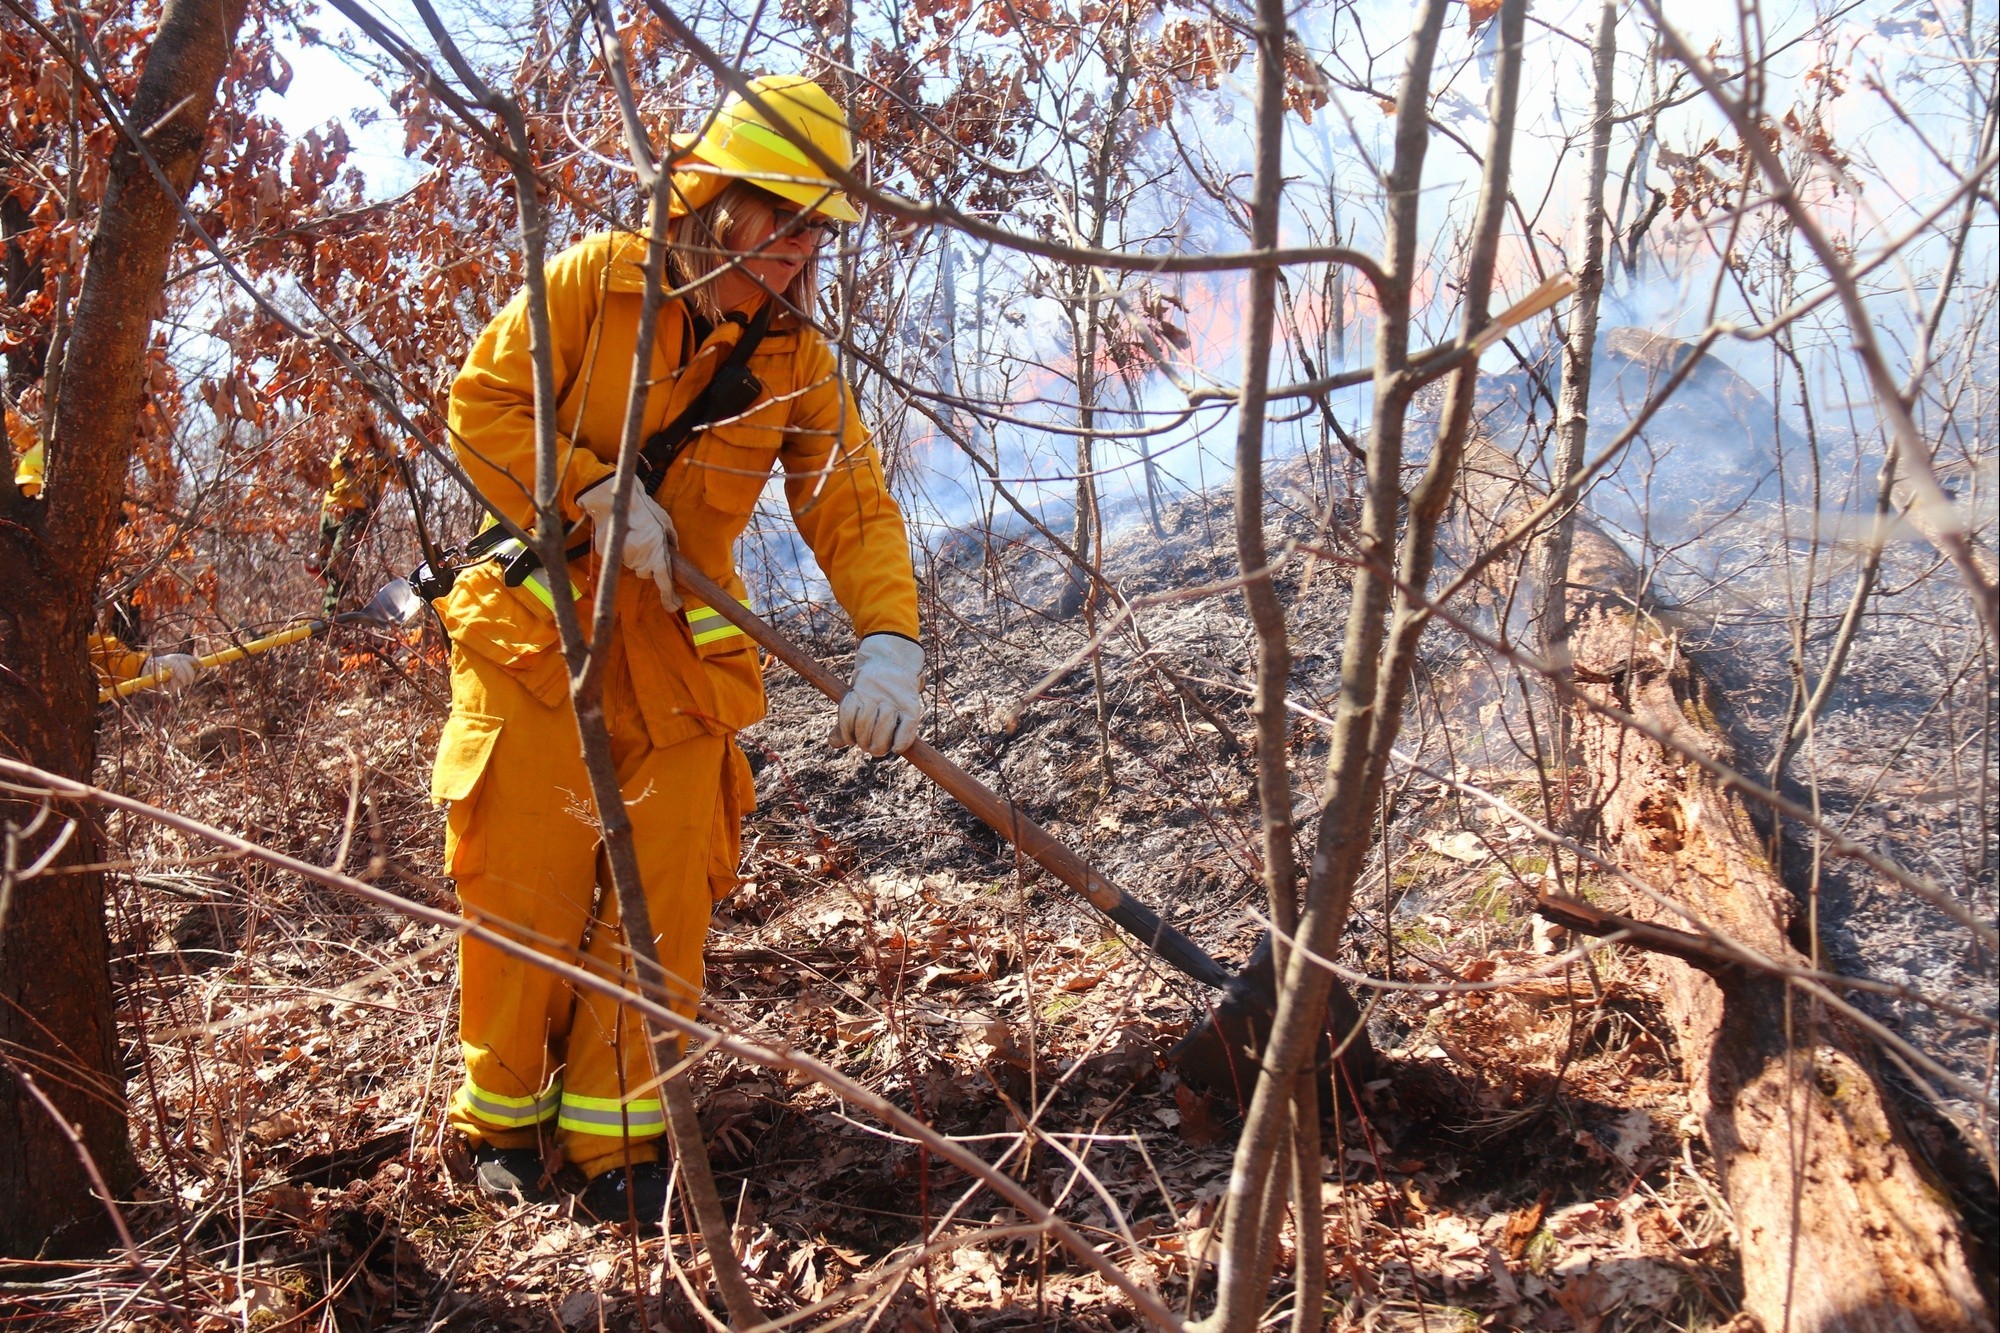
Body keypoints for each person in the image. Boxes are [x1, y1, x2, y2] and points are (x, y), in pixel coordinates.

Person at [429, 74, 923, 1223]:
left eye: (816, 235)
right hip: (535, 635)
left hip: (681, 663)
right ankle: (500, 1127)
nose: (798, 256)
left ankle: (621, 1147)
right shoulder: (592, 283)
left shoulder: (792, 357)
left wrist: (888, 641)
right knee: (526, 891)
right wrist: (596, 496)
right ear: (718, 201)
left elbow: (850, 504)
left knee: (663, 901)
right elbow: (481, 407)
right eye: (784, 225)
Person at [310, 418, 393, 617]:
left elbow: (391, 469)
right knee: (324, 562)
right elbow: (333, 472)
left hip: (357, 513)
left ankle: (333, 616)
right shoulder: (346, 447)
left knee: (339, 564)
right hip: (332, 509)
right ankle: (333, 608)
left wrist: (370, 456)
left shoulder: (382, 449)